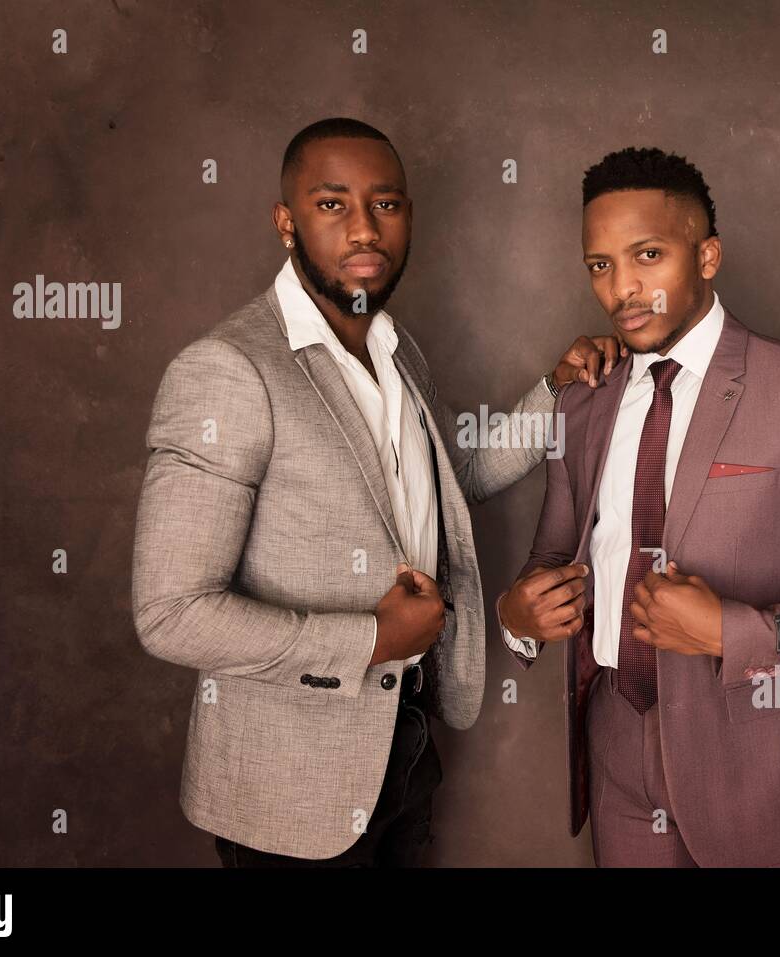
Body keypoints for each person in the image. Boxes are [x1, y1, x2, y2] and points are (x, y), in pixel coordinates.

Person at [132, 117, 619, 866]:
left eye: (386, 205)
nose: (365, 229)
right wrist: (370, 639)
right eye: (333, 205)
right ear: (286, 223)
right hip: (288, 792)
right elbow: (172, 614)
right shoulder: (229, 369)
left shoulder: (396, 347)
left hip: (406, 750)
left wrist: (555, 389)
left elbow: (455, 478)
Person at [498, 146, 780, 867]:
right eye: (600, 264)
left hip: (754, 768)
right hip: (615, 753)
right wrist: (518, 619)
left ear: (707, 258)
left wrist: (734, 630)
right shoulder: (584, 397)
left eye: (648, 255)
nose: (623, 289)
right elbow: (553, 558)